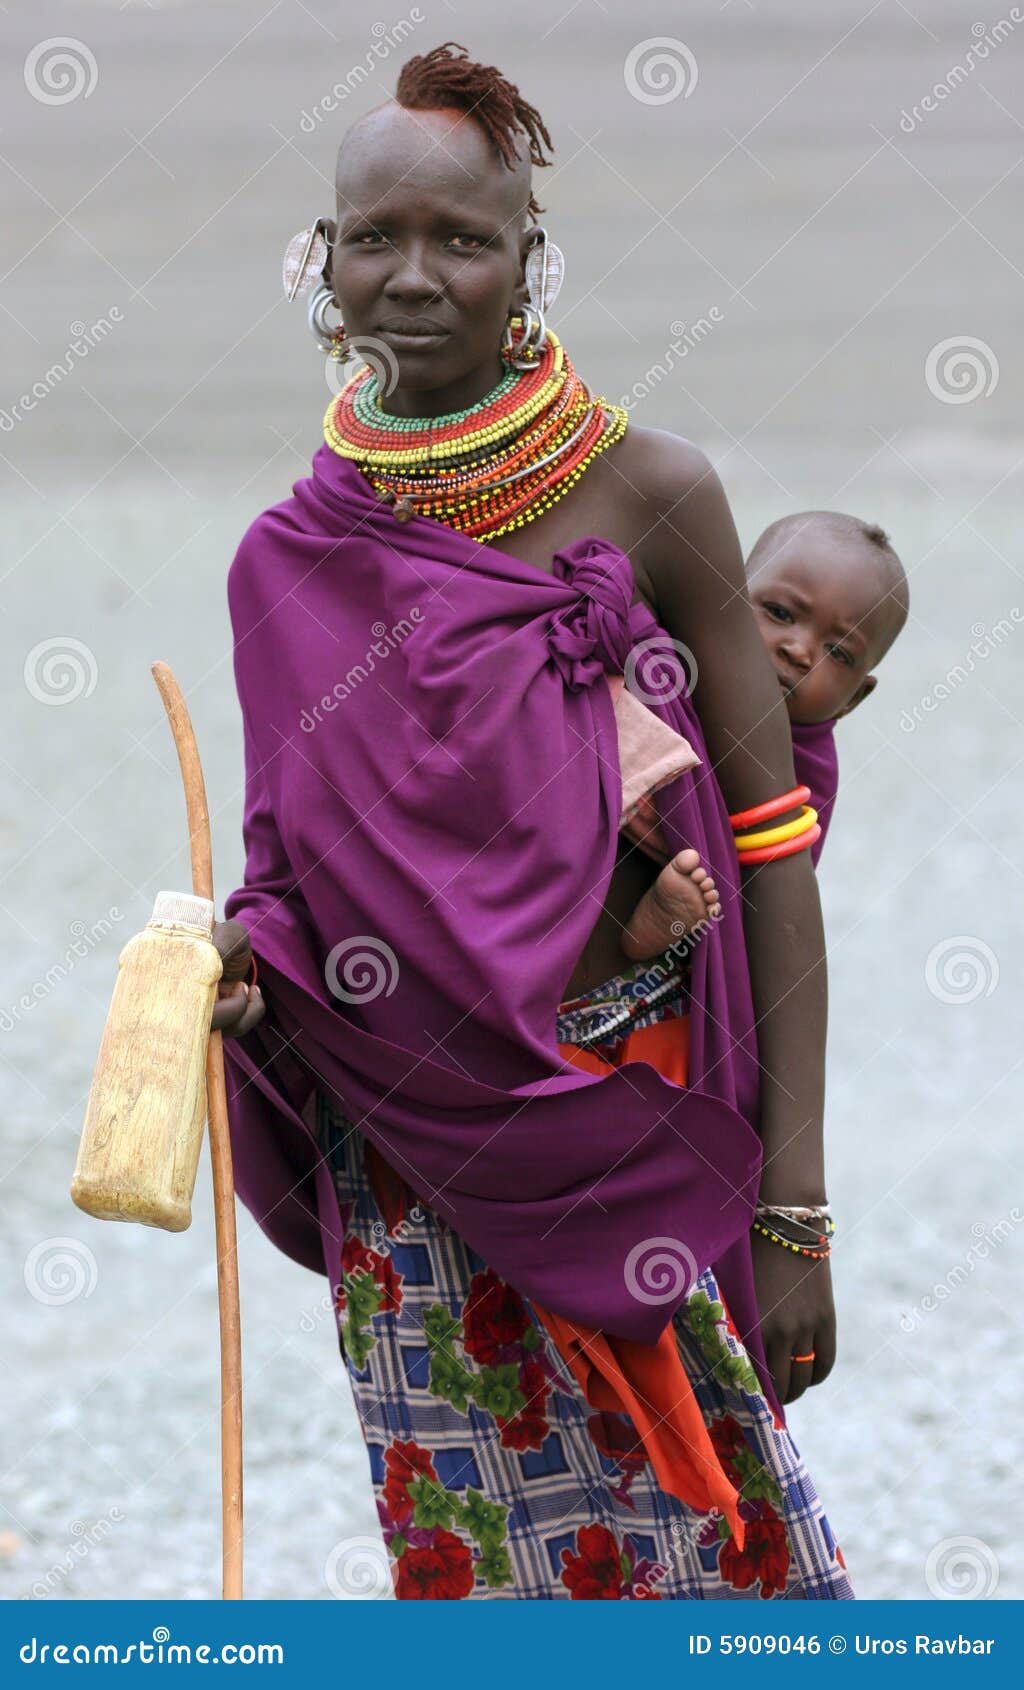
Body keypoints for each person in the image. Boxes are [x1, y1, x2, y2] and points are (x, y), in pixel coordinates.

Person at [211, 43, 853, 1600]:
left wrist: (796, 1209)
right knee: (476, 1571)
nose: (415, 275)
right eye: (377, 237)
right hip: (409, 1154)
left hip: (639, 1111)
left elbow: (766, 848)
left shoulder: (653, 495)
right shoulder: (287, 562)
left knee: (726, 1559)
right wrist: (245, 976)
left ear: (530, 264)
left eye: (464, 239)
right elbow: (298, 879)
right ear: (323, 261)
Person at [621, 510, 909, 960]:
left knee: (708, 898)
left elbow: (771, 888)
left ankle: (659, 924)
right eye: (778, 613)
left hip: (683, 889)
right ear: (728, 597)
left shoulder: (809, 768)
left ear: (854, 699)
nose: (798, 650)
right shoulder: (685, 655)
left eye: (837, 651)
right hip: (603, 815)